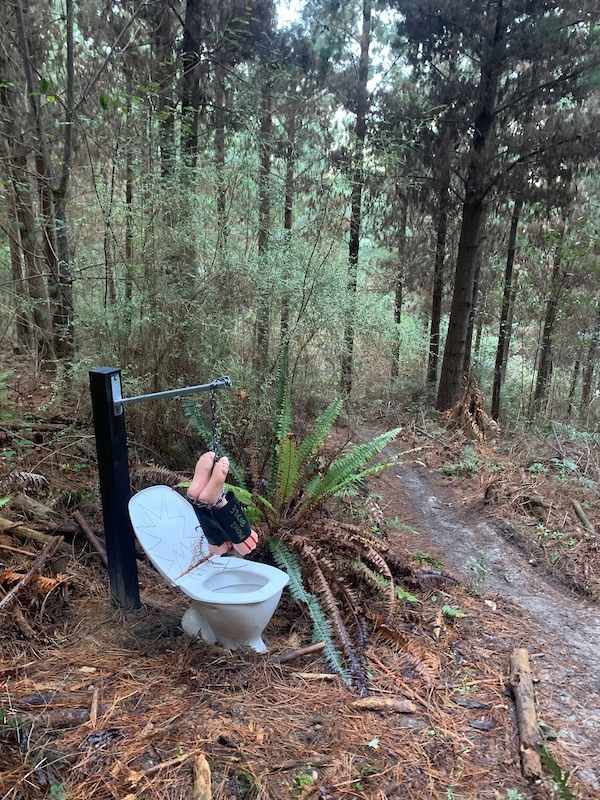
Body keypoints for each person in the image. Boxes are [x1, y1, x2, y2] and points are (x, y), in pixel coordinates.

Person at [186, 452, 258, 556]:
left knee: (240, 540)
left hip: (219, 543)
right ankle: (202, 499)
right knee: (244, 541)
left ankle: (206, 497)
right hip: (218, 541)